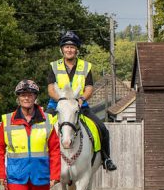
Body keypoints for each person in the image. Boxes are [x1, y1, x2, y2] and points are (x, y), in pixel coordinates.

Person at [46, 30, 117, 171]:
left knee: (102, 129)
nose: (69, 50)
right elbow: (51, 89)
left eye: (72, 47)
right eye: (66, 47)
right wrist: (62, 101)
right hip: (57, 106)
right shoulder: (54, 66)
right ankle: (40, 160)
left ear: (76, 50)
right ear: (62, 49)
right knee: (40, 129)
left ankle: (106, 158)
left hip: (80, 106)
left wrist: (82, 99)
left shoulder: (85, 67)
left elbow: (89, 88)